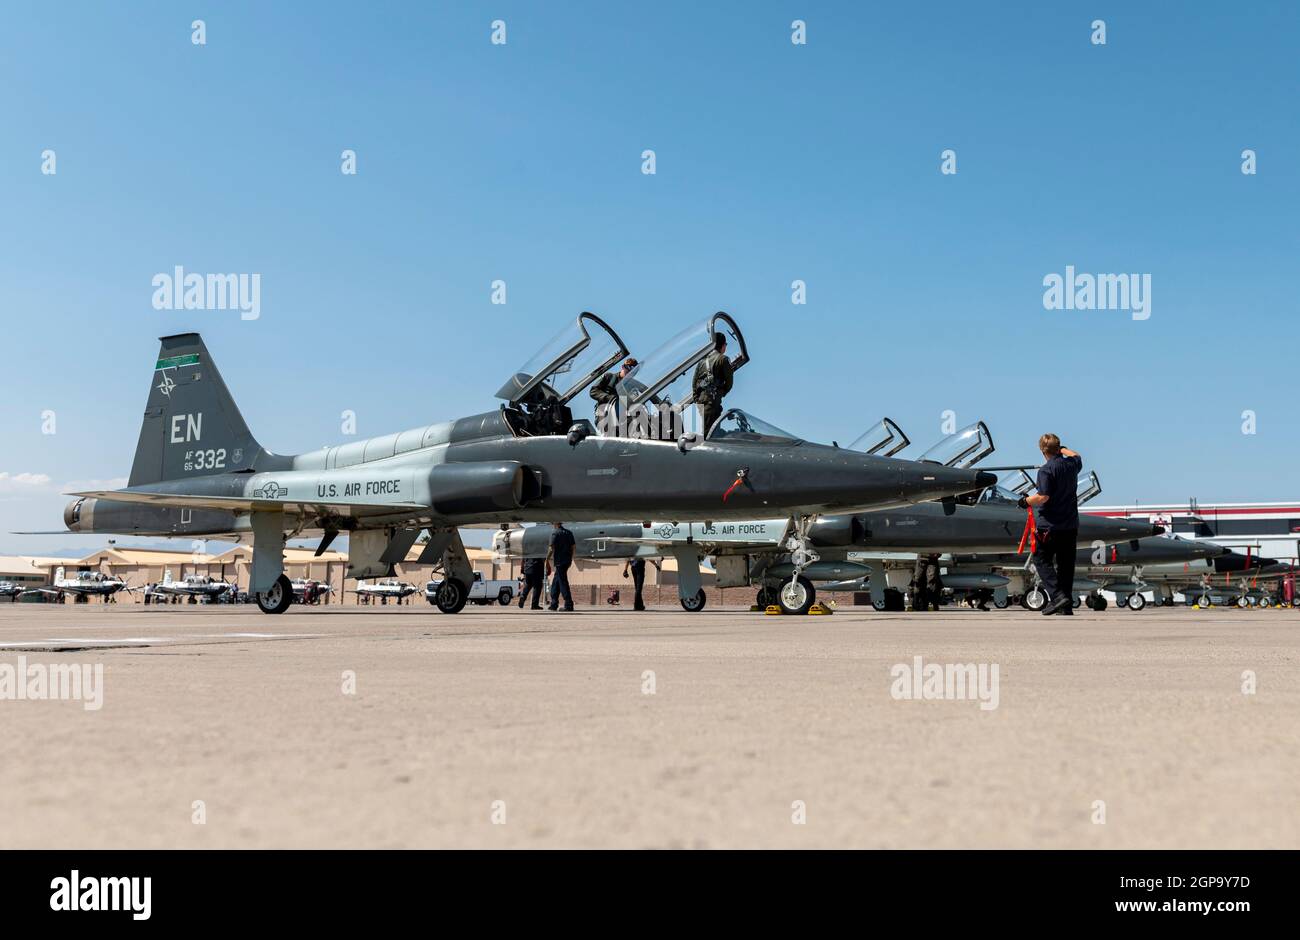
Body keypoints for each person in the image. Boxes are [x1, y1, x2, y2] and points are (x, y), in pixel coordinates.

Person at [1019, 433, 1083, 616]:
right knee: (1066, 566)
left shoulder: (1046, 470)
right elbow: (1077, 456)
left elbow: (1043, 497)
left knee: (1041, 559)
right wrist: (1063, 449)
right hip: (1070, 525)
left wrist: (1025, 501)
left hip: (1049, 526)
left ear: (1042, 450)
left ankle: (1057, 596)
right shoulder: (1071, 466)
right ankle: (1066, 606)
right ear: (1058, 448)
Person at [692, 332, 734, 436]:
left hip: (701, 404)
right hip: (712, 404)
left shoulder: (702, 361)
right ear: (723, 345)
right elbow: (729, 383)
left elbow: (694, 383)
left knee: (707, 431)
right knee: (710, 436)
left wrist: (697, 399)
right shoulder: (723, 359)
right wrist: (721, 392)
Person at [590, 357, 638, 432]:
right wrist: (609, 398)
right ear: (623, 367)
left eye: (633, 371)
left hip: (622, 419)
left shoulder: (631, 386)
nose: (630, 372)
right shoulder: (609, 377)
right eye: (628, 368)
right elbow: (593, 391)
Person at [546, 522, 576, 611]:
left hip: (559, 561)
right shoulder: (569, 533)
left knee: (563, 582)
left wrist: (546, 558)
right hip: (567, 561)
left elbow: (551, 548)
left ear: (555, 524)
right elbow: (573, 547)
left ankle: (569, 604)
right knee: (556, 582)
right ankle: (554, 604)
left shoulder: (555, 533)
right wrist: (571, 559)